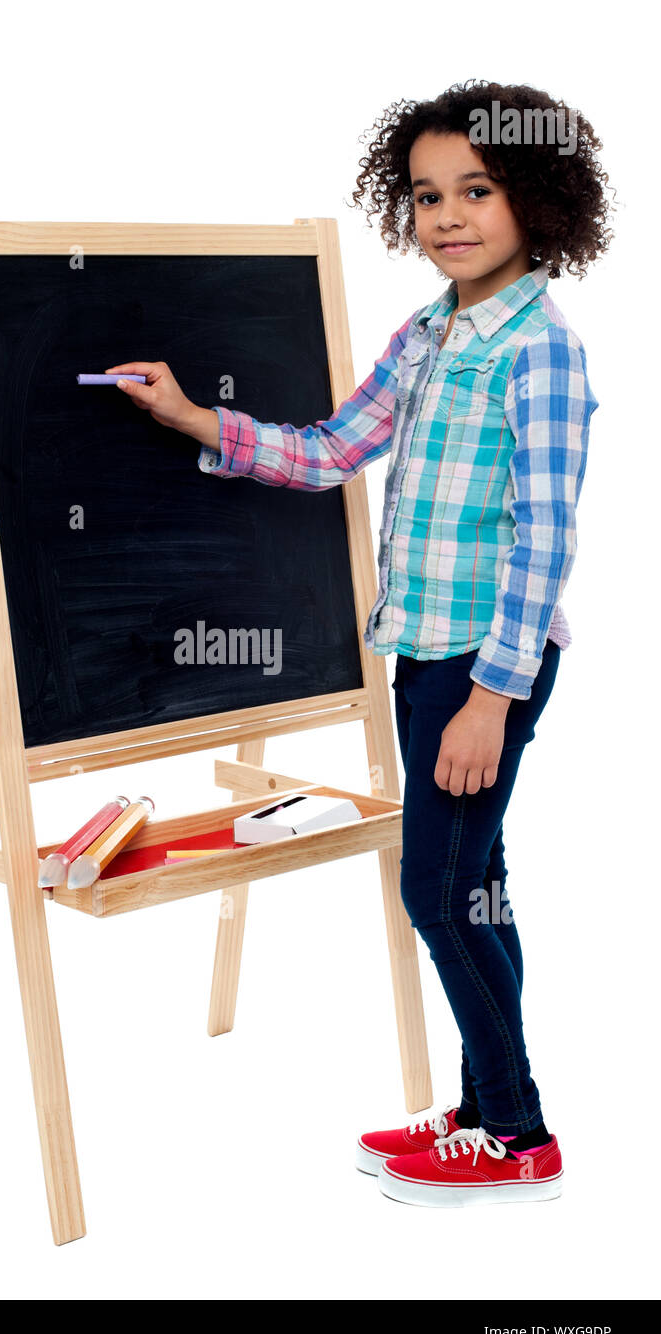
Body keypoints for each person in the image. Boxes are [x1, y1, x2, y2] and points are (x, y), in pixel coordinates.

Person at [105, 79, 610, 1207]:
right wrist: (196, 419)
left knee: (435, 892)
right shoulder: (429, 334)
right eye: (427, 195)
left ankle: (518, 1135)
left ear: (535, 198)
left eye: (476, 190)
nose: (448, 216)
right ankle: (488, 1107)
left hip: (486, 665)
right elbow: (333, 447)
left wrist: (490, 695)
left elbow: (543, 537)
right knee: (475, 882)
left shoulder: (538, 349)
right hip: (422, 654)